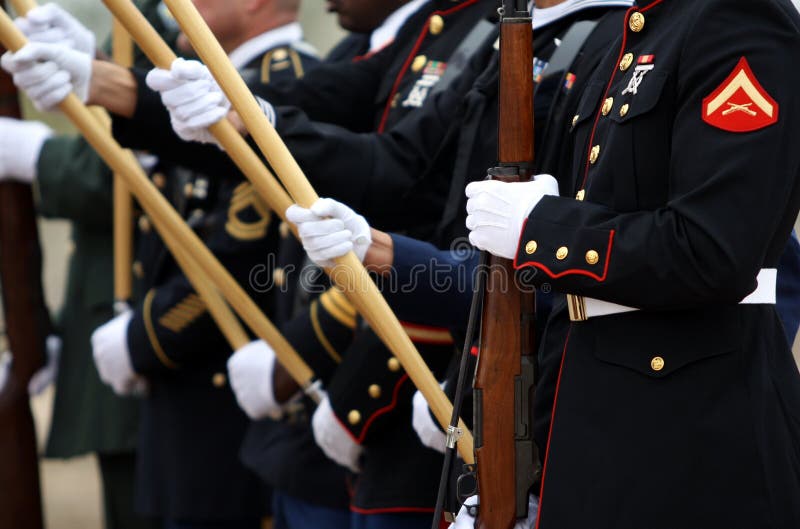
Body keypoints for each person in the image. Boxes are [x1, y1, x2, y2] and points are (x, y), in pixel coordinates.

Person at [460, 0, 800, 527]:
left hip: (688, 444)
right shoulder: (637, 28)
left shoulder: (739, 17)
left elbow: (713, 251)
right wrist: (525, 466)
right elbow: (583, 309)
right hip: (593, 434)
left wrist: (544, 230)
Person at [2, 1, 319, 528]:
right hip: (178, 406)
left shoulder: (277, 85)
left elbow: (241, 255)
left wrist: (144, 339)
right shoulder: (221, 83)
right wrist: (99, 64)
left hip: (219, 404)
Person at [0, 3, 177, 528]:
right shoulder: (137, 17)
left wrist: (39, 155)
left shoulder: (174, 27)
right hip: (103, 319)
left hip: (155, 325)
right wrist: (40, 327)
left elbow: (149, 172)